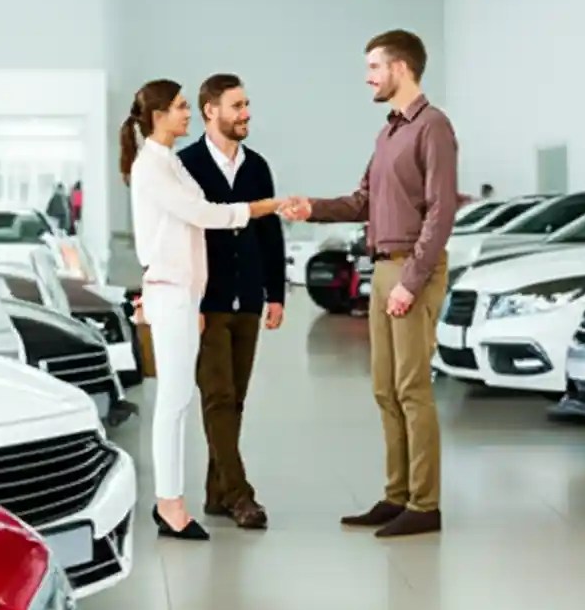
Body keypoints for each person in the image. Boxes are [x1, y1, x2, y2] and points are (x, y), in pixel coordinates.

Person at [280, 29, 459, 538]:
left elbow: (442, 211)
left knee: (412, 388)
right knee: (384, 387)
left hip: (411, 270)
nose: (368, 78)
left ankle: (425, 504)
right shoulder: (388, 133)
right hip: (381, 268)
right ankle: (396, 494)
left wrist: (412, 278)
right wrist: (312, 208)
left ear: (400, 67)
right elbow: (362, 200)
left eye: (374, 68)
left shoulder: (434, 128)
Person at [120, 78, 281, 541]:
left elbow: (199, 209)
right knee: (173, 402)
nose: (186, 114)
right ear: (157, 116)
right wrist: (262, 207)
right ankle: (169, 505)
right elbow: (206, 214)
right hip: (171, 292)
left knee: (181, 400)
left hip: (185, 294)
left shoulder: (170, 163)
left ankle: (179, 500)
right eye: (179, 107)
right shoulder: (152, 166)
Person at [177, 73, 284, 530]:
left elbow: (269, 230)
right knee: (217, 397)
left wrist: (275, 293)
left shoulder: (256, 165)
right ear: (210, 111)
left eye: (247, 105)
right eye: (237, 106)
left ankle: (215, 493)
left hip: (249, 302)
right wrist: (190, 300)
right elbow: (181, 236)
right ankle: (241, 496)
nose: (246, 114)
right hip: (207, 301)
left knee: (234, 399)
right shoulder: (186, 166)